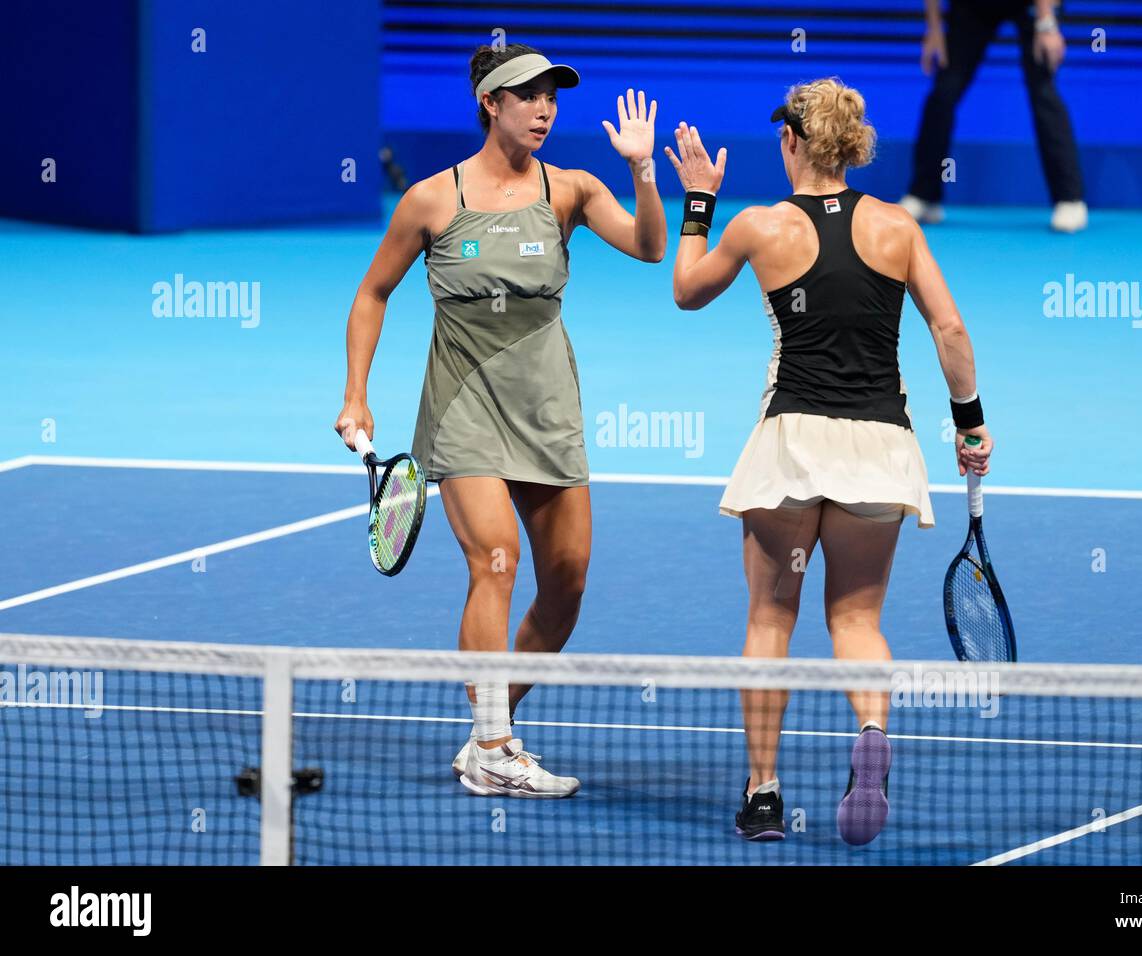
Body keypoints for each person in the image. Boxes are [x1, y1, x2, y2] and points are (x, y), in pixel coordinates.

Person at [663, 78, 993, 844]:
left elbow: (686, 291)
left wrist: (700, 200)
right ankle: (871, 729)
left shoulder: (759, 227)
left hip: (790, 446)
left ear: (792, 143)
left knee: (772, 615)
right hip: (880, 448)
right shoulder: (898, 227)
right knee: (855, 617)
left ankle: (764, 793)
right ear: (850, 145)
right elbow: (950, 332)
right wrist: (970, 427)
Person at [335, 44, 666, 798]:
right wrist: (356, 392)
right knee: (494, 560)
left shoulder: (571, 190)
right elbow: (372, 294)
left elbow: (650, 248)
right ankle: (493, 744)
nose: (545, 108)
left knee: (568, 582)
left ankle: (488, 725)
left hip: (548, 410)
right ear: (491, 103)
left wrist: (644, 172)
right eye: (529, 95)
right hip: (463, 412)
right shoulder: (432, 199)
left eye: (553, 96)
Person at [900, 0, 1087, 233]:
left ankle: (1069, 198)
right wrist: (934, 29)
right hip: (974, 7)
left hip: (1034, 5)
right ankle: (924, 195)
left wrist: (1046, 23)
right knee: (943, 92)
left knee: (1043, 92)